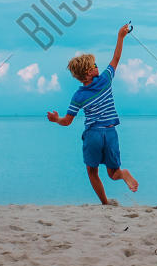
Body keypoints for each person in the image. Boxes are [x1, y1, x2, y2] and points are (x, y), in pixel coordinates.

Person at [47, 23, 139, 205]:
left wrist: (56, 119)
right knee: (113, 173)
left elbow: (67, 121)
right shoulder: (105, 79)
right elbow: (116, 58)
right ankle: (123, 174)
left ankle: (105, 202)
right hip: (111, 132)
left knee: (92, 171)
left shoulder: (78, 96)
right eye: (95, 65)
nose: (98, 66)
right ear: (90, 72)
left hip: (93, 135)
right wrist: (121, 37)